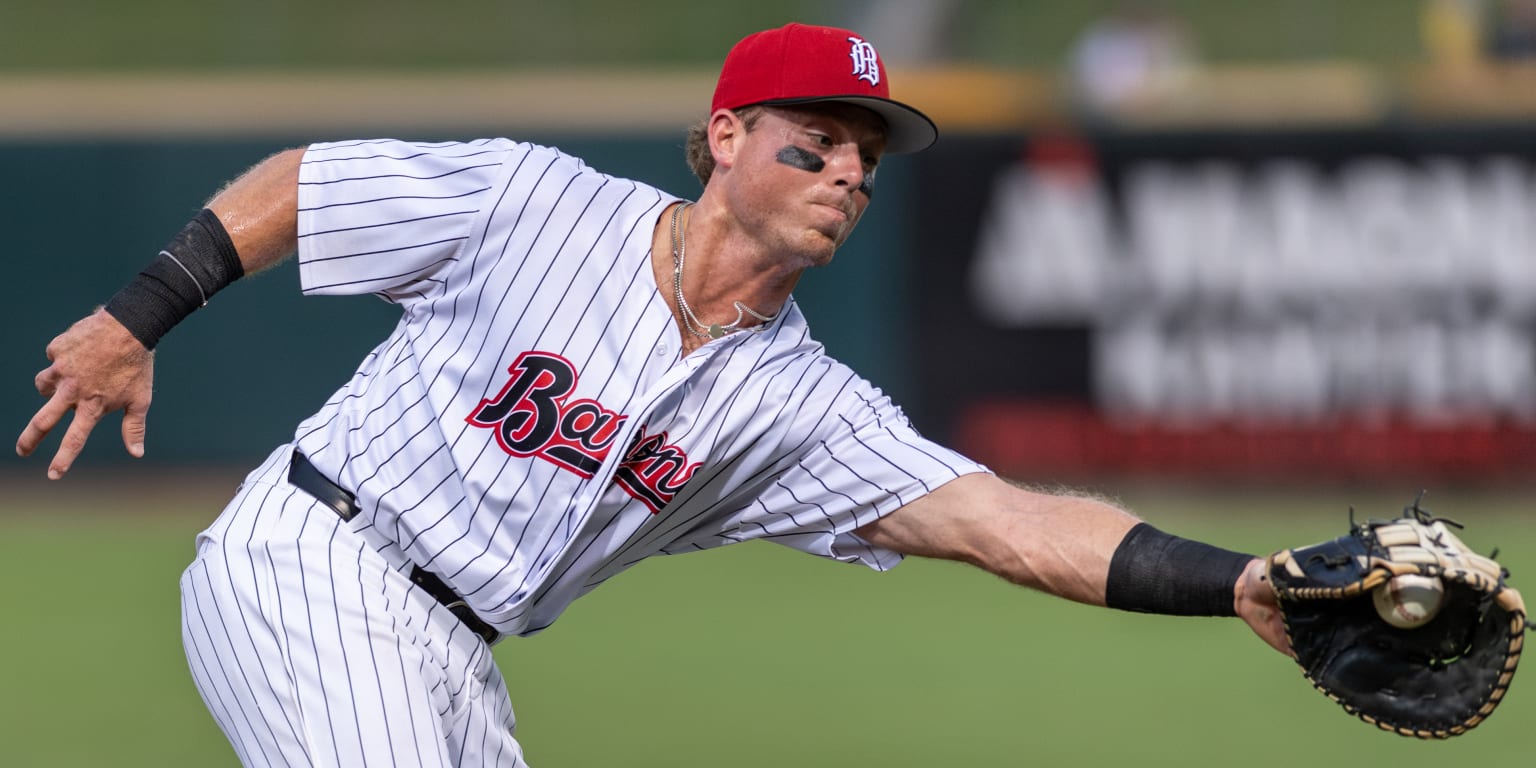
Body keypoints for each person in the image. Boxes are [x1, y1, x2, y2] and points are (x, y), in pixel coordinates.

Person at [16, 22, 1288, 767]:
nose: (849, 170)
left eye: (867, 155)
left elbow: (1004, 519)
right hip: (317, 561)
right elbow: (309, 185)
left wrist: (1233, 582)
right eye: (818, 136)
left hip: (459, 652)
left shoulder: (801, 407)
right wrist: (135, 320)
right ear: (726, 136)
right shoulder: (534, 201)